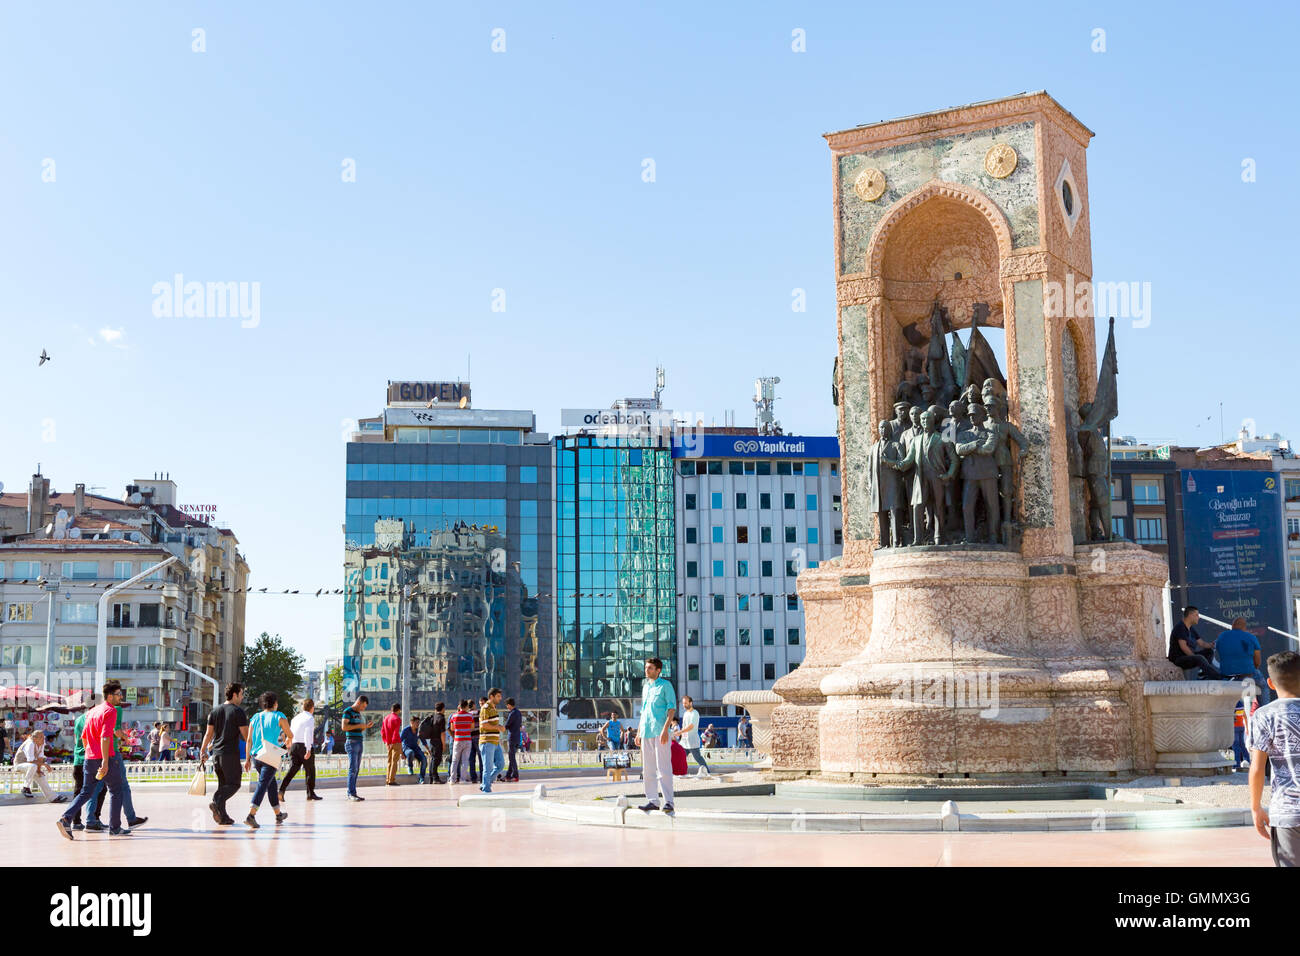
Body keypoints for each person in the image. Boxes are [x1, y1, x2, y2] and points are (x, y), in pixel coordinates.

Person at [57, 681, 131, 839]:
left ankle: (66, 818)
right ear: (110, 696)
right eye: (118, 694)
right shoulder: (110, 711)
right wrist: (104, 761)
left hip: (89, 758)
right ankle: (115, 827)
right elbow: (105, 737)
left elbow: (84, 738)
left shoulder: (92, 712)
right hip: (107, 758)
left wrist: (91, 753)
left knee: (86, 791)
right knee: (116, 791)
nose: (121, 697)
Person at [1248, 651, 1300, 866]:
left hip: (1286, 812)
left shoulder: (1264, 715)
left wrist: (1256, 807)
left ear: (1270, 683)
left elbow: (1258, 768)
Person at [199, 682, 251, 824]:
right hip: (229, 754)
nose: (242, 698)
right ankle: (216, 801)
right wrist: (250, 755)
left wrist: (203, 750)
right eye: (241, 694)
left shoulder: (214, 711)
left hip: (216, 754)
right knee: (235, 784)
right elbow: (247, 737)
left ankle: (223, 817)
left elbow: (208, 734)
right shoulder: (238, 711)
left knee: (223, 785)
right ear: (234, 694)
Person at [634, 657, 677, 814]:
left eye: (650, 668)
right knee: (648, 769)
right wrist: (638, 732)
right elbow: (644, 711)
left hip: (660, 732)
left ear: (658, 670)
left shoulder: (666, 685)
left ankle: (669, 802)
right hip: (646, 732)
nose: (647, 670)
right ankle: (652, 800)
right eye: (646, 667)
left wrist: (666, 729)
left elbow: (671, 708)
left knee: (663, 768)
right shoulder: (646, 687)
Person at [244, 691, 291, 829]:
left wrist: (247, 759)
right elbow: (290, 734)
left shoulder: (255, 717)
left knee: (271, 785)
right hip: (270, 756)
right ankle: (251, 815)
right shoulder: (279, 716)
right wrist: (287, 740)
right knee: (263, 784)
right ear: (275, 703)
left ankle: (278, 814)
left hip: (256, 757)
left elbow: (248, 740)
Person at [1216, 618, 1270, 704]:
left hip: (1226, 675)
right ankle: (1264, 708)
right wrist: (1253, 668)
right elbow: (1257, 660)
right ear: (1244, 627)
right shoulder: (1251, 637)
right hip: (1247, 673)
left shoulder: (1222, 636)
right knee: (1263, 687)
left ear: (1232, 626)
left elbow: (1218, 651)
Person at [281, 698, 322, 801]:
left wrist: (289, 742)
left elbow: (291, 732)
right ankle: (310, 793)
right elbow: (307, 733)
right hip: (304, 745)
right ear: (312, 708)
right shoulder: (310, 718)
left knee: (293, 769)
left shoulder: (295, 718)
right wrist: (308, 749)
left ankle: (281, 790)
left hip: (294, 745)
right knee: (310, 770)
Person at [1167, 605, 1223, 678]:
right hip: (1178, 659)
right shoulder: (1180, 627)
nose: (1198, 617)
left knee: (1209, 652)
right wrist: (1195, 657)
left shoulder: (1191, 628)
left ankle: (1202, 674)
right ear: (1190, 615)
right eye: (1196, 615)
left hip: (1188, 656)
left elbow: (1202, 643)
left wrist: (1212, 644)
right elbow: (1183, 647)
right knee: (1199, 658)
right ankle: (1218, 678)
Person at [16, 730, 65, 802]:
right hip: (20, 764)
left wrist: (39, 770)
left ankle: (53, 797)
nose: (43, 739)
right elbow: (30, 760)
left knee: (41, 776)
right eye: (41, 737)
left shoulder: (41, 743)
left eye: (43, 737)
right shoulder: (30, 744)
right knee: (33, 766)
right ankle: (25, 788)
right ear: (34, 738)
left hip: (32, 766)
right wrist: (45, 765)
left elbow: (40, 758)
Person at [341, 695, 373, 801]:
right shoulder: (348, 711)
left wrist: (365, 726)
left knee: (356, 769)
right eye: (363, 706)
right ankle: (351, 793)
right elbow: (344, 727)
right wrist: (360, 726)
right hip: (352, 742)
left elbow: (357, 728)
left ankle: (353, 792)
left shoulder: (358, 714)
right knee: (353, 768)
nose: (363, 709)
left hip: (359, 741)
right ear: (358, 703)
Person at [673, 696, 710, 777]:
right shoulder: (685, 713)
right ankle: (678, 773)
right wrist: (680, 735)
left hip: (693, 742)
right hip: (684, 742)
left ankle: (708, 773)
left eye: (685, 703)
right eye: (683, 703)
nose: (684, 705)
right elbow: (684, 726)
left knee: (698, 759)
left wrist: (680, 732)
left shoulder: (695, 713)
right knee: (679, 757)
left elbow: (691, 726)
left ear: (691, 703)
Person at [478, 689, 506, 793]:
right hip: (487, 741)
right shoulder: (485, 708)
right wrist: (498, 728)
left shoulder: (494, 708)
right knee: (487, 767)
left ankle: (485, 783)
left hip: (495, 741)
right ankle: (486, 789)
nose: (500, 698)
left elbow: (492, 724)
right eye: (498, 696)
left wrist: (498, 728)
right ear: (491, 697)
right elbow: (484, 725)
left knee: (500, 764)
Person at [419, 704, 447, 784]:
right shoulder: (441, 718)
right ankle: (435, 778)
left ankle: (432, 777)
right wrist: (444, 744)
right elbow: (442, 733)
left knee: (433, 759)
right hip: (438, 741)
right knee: (436, 759)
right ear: (442, 709)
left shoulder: (433, 717)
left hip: (432, 741)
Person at [449, 700, 474, 784]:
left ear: (459, 706)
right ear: (467, 706)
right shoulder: (470, 716)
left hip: (457, 740)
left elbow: (452, 728)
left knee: (455, 760)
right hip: (467, 740)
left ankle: (452, 779)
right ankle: (463, 779)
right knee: (465, 760)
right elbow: (472, 728)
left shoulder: (454, 716)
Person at [381, 703, 402, 786]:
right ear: (399, 710)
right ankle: (392, 780)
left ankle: (387, 779)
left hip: (388, 743)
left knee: (389, 761)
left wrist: (386, 742)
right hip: (395, 742)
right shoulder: (397, 719)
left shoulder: (386, 718)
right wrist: (392, 742)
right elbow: (395, 732)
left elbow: (382, 731)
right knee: (394, 761)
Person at [401, 716, 426, 783]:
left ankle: (421, 778)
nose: (418, 724)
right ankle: (410, 767)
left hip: (416, 748)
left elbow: (423, 740)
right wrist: (401, 753)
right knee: (410, 752)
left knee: (424, 759)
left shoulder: (419, 730)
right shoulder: (406, 730)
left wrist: (429, 750)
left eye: (419, 723)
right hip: (407, 748)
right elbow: (399, 741)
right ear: (411, 722)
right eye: (417, 722)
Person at [503, 698, 523, 782]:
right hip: (517, 737)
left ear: (509, 705)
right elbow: (520, 725)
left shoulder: (512, 713)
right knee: (512, 757)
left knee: (512, 757)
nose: (507, 707)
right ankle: (508, 776)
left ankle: (515, 775)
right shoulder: (518, 713)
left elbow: (507, 725)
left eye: (507, 705)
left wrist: (501, 727)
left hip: (511, 737)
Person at [469, 697, 484, 783]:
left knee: (471, 759)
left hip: (470, 738)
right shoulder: (479, 712)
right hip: (478, 737)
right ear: (474, 705)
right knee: (481, 758)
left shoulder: (468, 714)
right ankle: (482, 777)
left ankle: (473, 778)